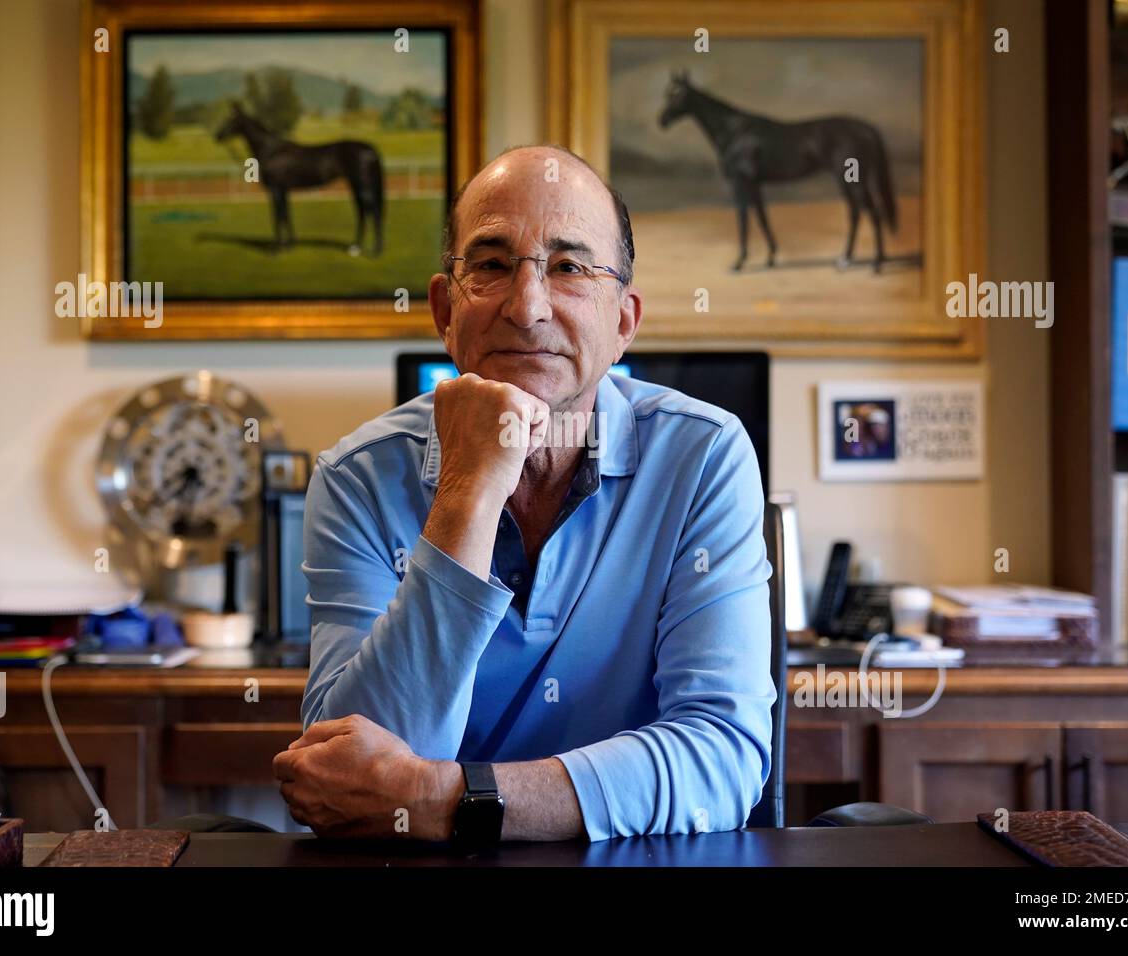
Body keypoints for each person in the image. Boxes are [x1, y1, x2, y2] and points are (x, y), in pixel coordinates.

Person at [273, 144, 774, 843]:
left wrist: (448, 799)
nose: (527, 307)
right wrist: (469, 490)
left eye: (569, 268)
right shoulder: (356, 476)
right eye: (491, 265)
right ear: (444, 310)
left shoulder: (703, 455)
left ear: (623, 323)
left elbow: (722, 759)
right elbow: (349, 781)